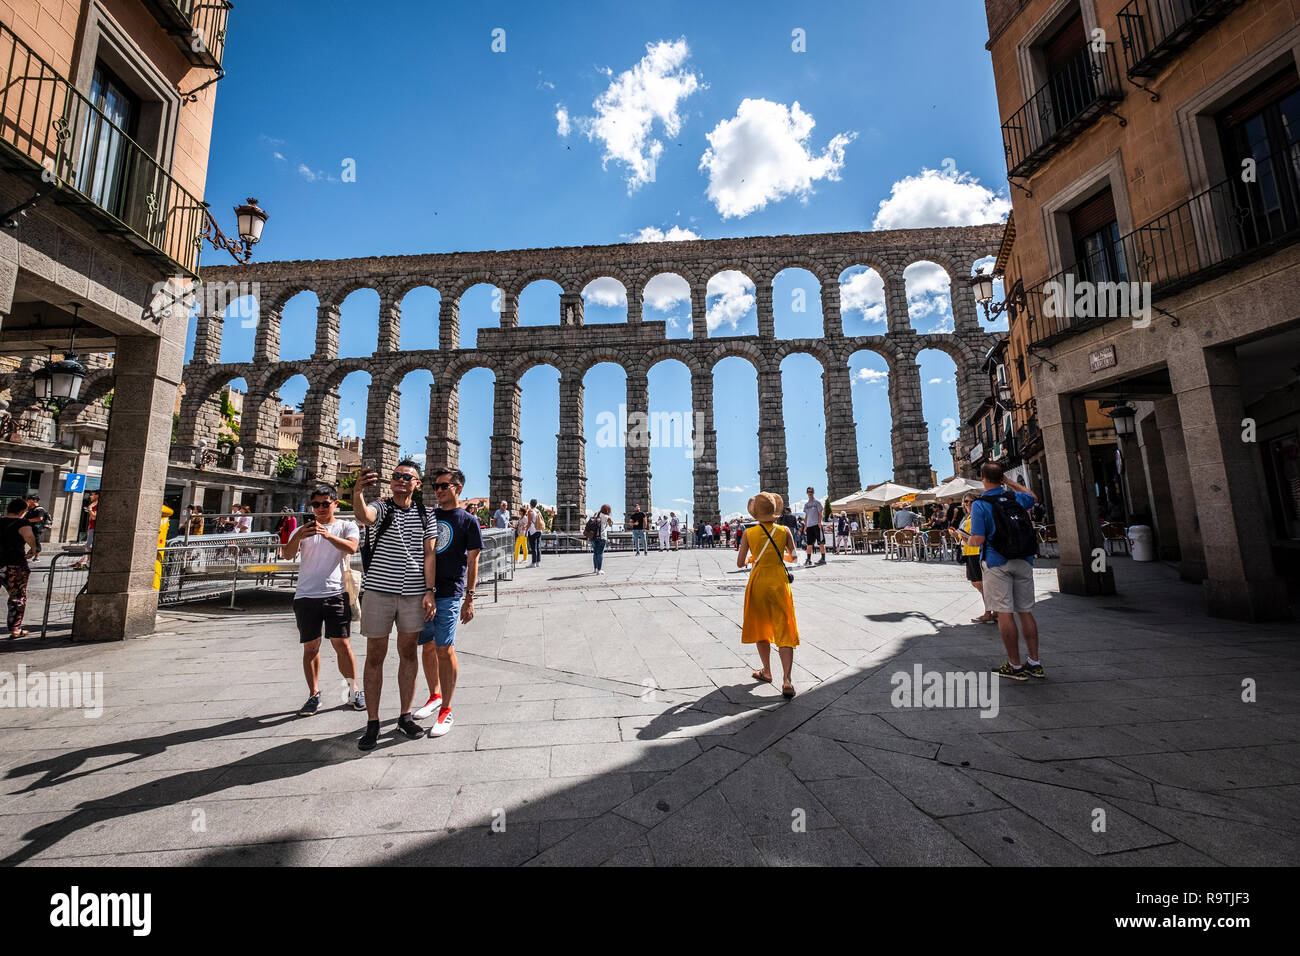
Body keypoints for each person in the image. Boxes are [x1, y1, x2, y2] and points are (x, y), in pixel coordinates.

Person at [353, 459, 438, 751]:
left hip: (414, 593)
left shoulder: (427, 515)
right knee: (375, 656)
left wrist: (430, 591)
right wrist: (357, 493)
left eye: (407, 477)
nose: (401, 480)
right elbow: (363, 516)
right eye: (397, 476)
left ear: (417, 484)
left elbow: (429, 555)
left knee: (408, 655)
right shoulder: (381, 507)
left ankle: (405, 716)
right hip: (378, 591)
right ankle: (373, 722)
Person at [412, 467, 482, 738]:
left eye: (444, 486)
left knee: (444, 648)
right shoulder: (428, 516)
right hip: (423, 591)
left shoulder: (468, 520)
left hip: (450, 592)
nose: (438, 490)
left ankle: (447, 709)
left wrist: (470, 597)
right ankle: (434, 696)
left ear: (458, 488)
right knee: (427, 647)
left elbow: (473, 560)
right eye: (435, 486)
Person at [282, 486, 364, 715]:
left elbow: (352, 547)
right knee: (310, 647)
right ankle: (313, 695)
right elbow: (287, 555)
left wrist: (327, 535)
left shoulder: (346, 526)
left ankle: (353, 690)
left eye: (325, 503)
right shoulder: (301, 530)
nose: (319, 508)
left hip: (335, 593)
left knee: (343, 645)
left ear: (335, 504)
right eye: (315, 504)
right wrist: (298, 535)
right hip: (306, 595)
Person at [967, 462, 1042, 681]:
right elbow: (1033, 496)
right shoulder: (1016, 498)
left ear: (982, 477)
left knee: (1004, 613)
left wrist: (967, 538)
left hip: (997, 561)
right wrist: (1009, 483)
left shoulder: (981, 505)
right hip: (1024, 559)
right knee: (1025, 611)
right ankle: (1035, 663)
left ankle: (1015, 665)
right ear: (1001, 478)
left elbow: (978, 539)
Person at [736, 492, 799, 699]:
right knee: (784, 627)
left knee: (761, 627)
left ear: (756, 513)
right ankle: (787, 680)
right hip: (779, 583)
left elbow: (739, 562)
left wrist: (751, 559)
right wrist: (782, 555)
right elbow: (794, 557)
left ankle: (767, 671)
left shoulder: (749, 533)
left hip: (759, 583)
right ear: (775, 512)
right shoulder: (785, 530)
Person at [956, 493, 995, 625]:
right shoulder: (967, 517)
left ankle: (989, 612)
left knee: (980, 583)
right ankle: (993, 610)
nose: (968, 504)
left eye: (971, 501)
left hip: (976, 552)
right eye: (966, 501)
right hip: (969, 552)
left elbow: (977, 535)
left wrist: (962, 534)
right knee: (978, 583)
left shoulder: (978, 516)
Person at [1, 498, 38, 639]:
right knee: (17, 597)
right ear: (23, 511)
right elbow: (28, 535)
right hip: (14, 565)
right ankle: (15, 629)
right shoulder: (22, 522)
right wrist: (33, 549)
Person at [802, 487, 827, 566]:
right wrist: (805, 526)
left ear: (813, 492)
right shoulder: (806, 504)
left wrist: (819, 522)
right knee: (809, 544)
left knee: (821, 543)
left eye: (811, 492)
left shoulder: (817, 503)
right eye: (809, 492)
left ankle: (823, 559)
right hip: (809, 526)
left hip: (817, 525)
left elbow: (820, 513)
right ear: (807, 493)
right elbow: (806, 515)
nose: (810, 493)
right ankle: (808, 559)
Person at [591, 504, 613, 574]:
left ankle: (595, 569)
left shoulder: (596, 514)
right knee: (600, 553)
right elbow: (610, 525)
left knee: (595, 553)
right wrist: (610, 520)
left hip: (593, 537)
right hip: (602, 537)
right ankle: (599, 570)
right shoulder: (607, 517)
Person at [527, 498, 543, 567]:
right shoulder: (538, 511)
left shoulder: (530, 511)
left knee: (533, 547)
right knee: (538, 546)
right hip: (539, 530)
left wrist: (526, 529)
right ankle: (538, 562)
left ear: (530, 504)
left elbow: (530, 522)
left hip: (533, 531)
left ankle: (533, 563)